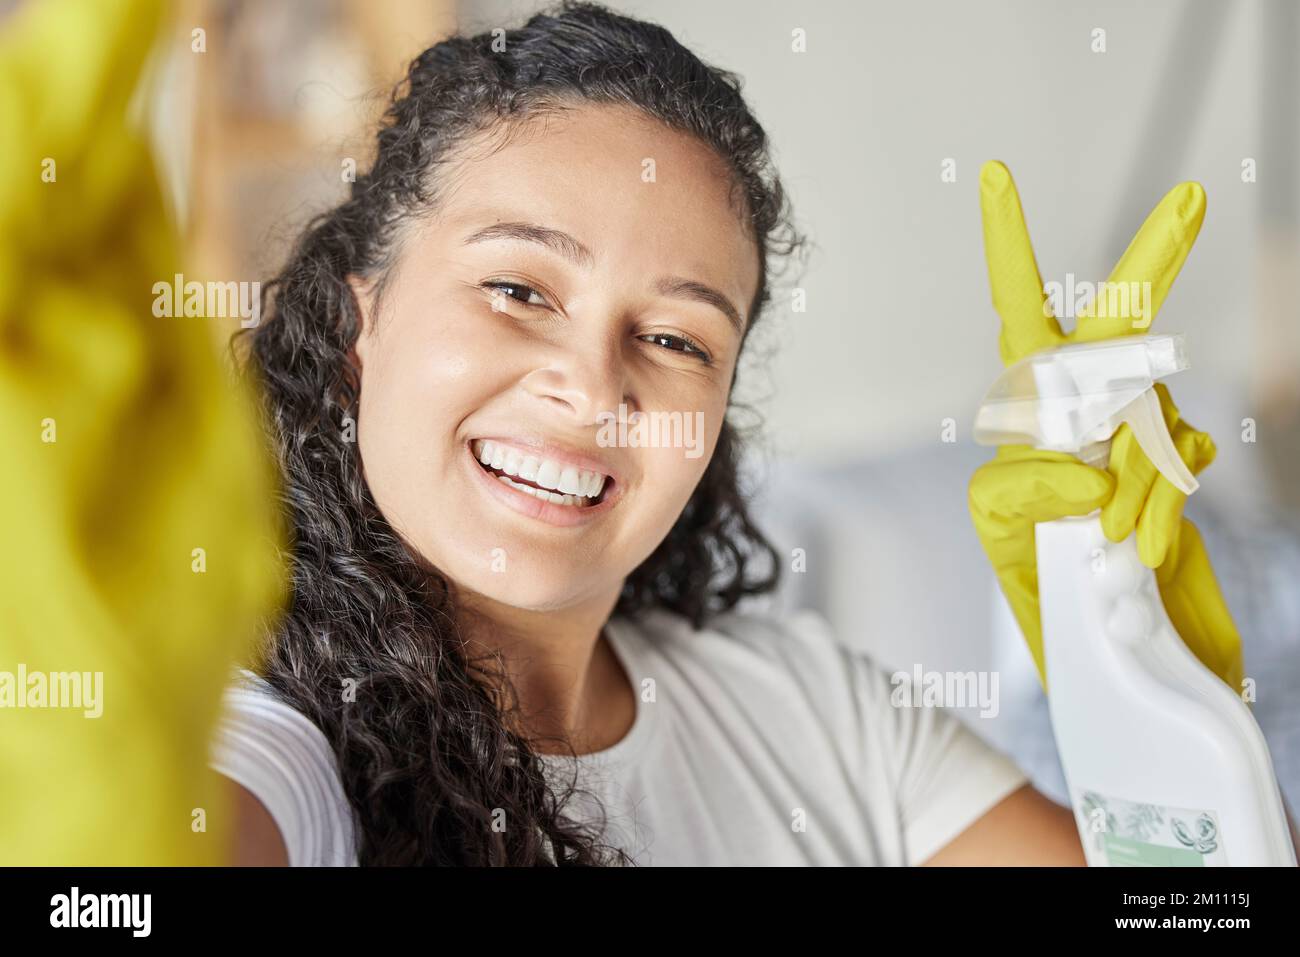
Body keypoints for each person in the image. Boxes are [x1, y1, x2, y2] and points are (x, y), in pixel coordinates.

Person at [210, 1, 1086, 866]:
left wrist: (1135, 684)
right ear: (361, 324)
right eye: (518, 290)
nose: (595, 390)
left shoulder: (814, 713)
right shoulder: (260, 743)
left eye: (675, 339)